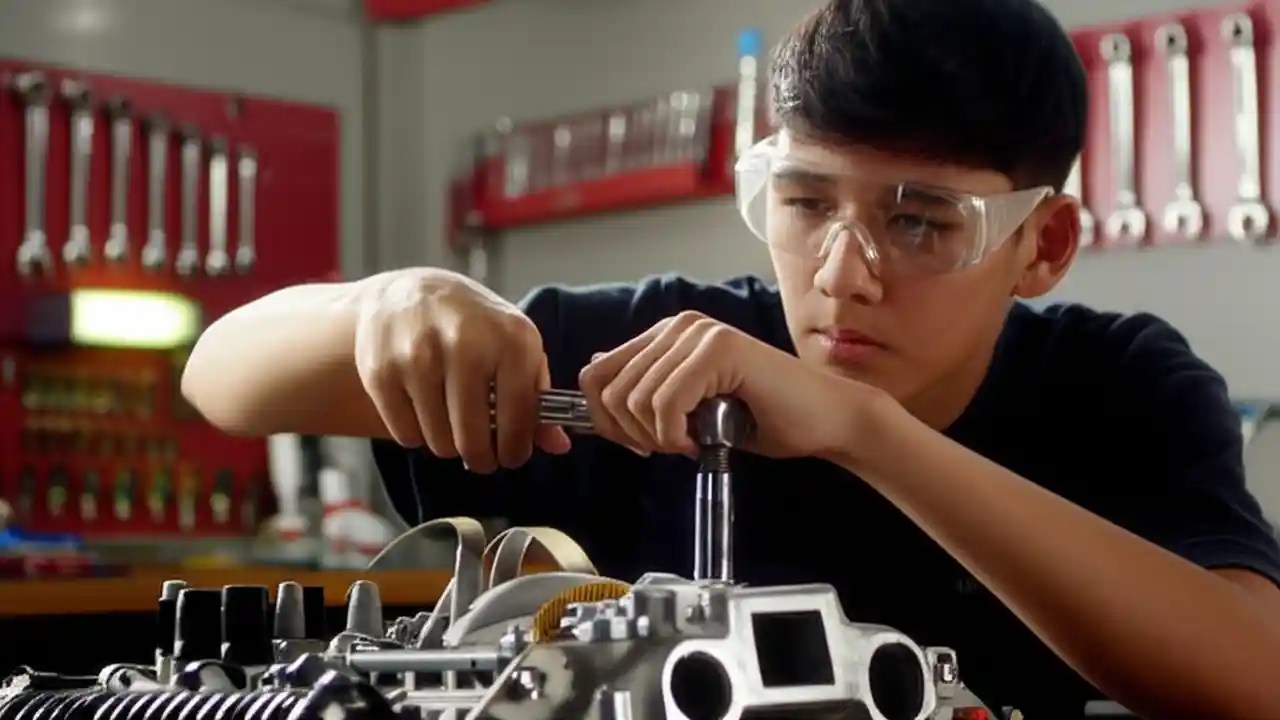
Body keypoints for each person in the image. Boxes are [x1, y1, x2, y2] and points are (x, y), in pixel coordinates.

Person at [181, 0, 1280, 716]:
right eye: (804, 204)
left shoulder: (1118, 388)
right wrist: (384, 302)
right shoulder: (655, 346)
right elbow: (221, 378)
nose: (842, 275)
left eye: (916, 222)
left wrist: (864, 432)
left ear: (1040, 245)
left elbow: (1251, 679)